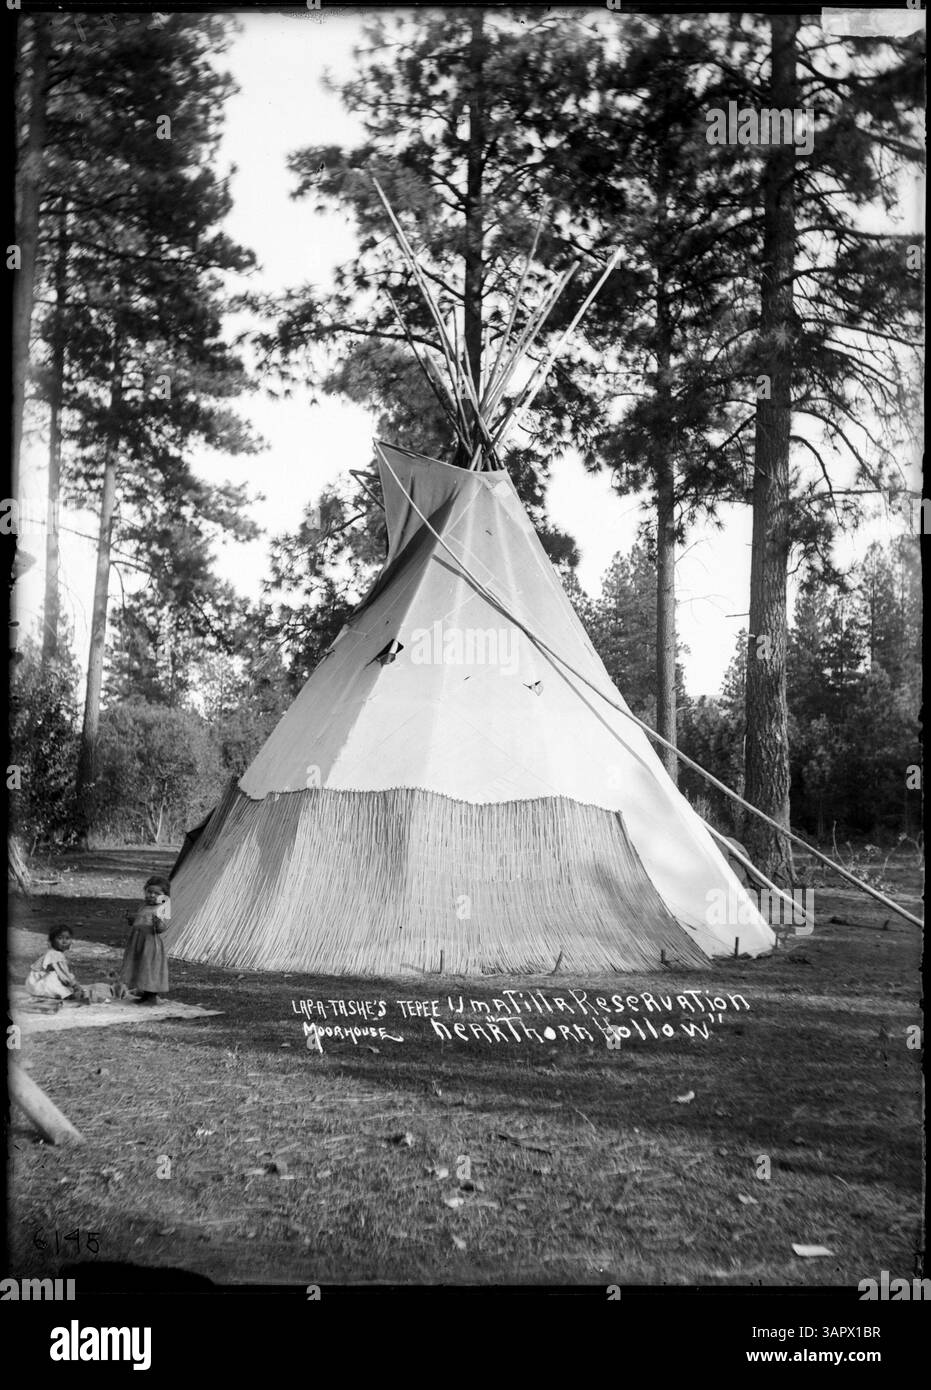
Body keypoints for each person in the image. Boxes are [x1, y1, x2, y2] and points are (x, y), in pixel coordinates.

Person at [119, 875, 171, 1005]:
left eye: (156, 893)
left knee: (149, 968)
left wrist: (158, 923)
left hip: (150, 944)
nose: (152, 895)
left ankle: (152, 996)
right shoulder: (143, 906)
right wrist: (132, 920)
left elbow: (162, 928)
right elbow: (140, 920)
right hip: (137, 943)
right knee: (139, 966)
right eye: (149, 892)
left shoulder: (162, 908)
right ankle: (144, 993)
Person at [26, 927, 86, 1001]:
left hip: (33, 985)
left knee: (56, 977)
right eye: (60, 938)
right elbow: (63, 974)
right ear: (52, 941)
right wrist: (75, 985)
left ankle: (63, 993)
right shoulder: (55, 955)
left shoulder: (54, 953)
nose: (64, 941)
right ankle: (66, 995)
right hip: (37, 984)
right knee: (53, 976)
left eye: (67, 938)